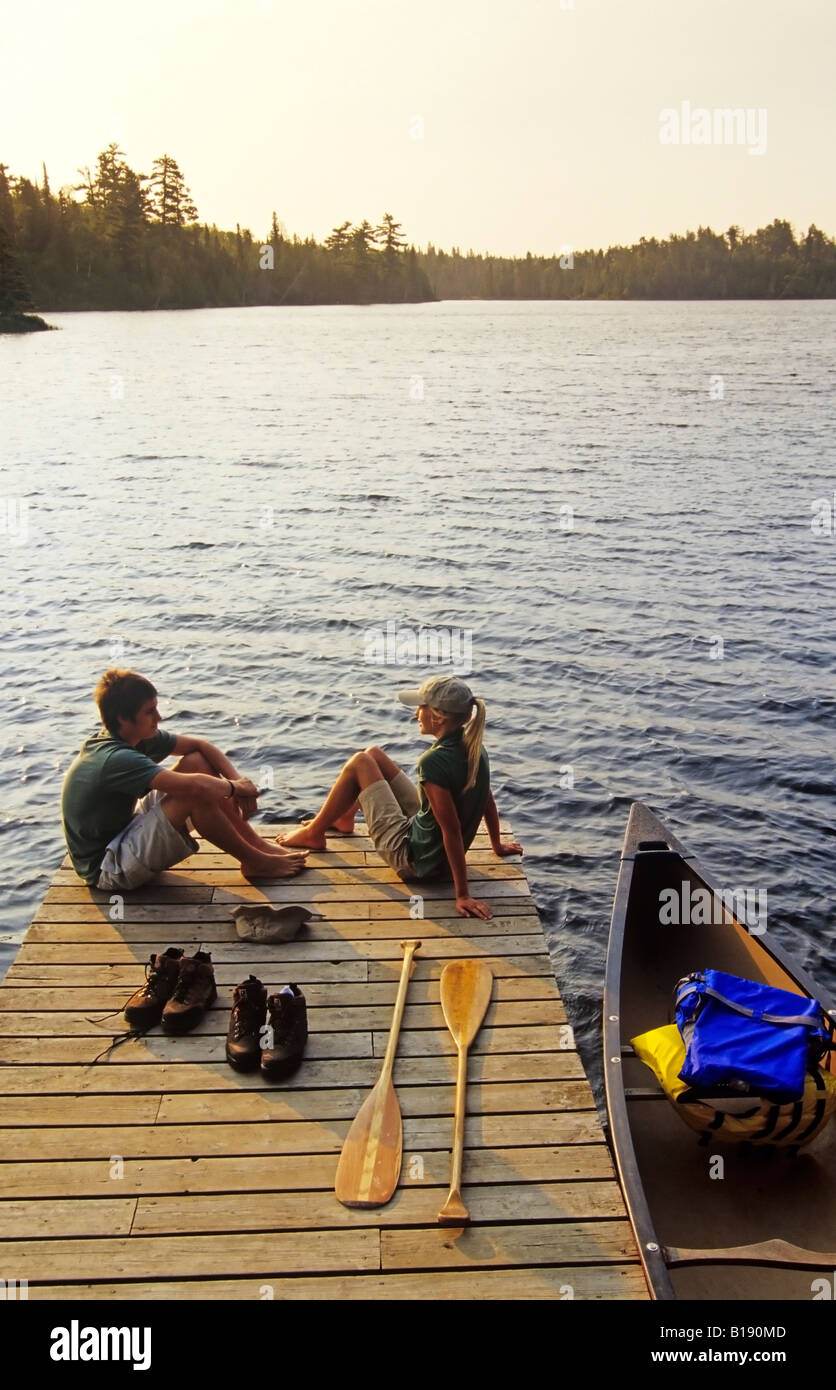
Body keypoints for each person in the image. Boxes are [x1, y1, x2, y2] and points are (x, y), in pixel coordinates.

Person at [278, 674, 522, 919]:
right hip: (432, 849)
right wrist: (497, 845)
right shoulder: (476, 748)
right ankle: (343, 819)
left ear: (438, 717)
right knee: (373, 754)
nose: (415, 713)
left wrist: (462, 895)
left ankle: (314, 833)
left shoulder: (433, 762)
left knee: (360, 762)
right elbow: (487, 800)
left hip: (415, 862)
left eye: (421, 708)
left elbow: (452, 830)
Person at [61, 669, 307, 890]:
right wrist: (235, 788)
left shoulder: (133, 737)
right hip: (107, 868)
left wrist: (239, 783)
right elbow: (195, 786)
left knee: (196, 762)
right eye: (150, 711)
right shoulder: (115, 758)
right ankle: (255, 862)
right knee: (195, 793)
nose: (159, 717)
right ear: (124, 719)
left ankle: (256, 846)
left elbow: (200, 745)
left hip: (124, 831)